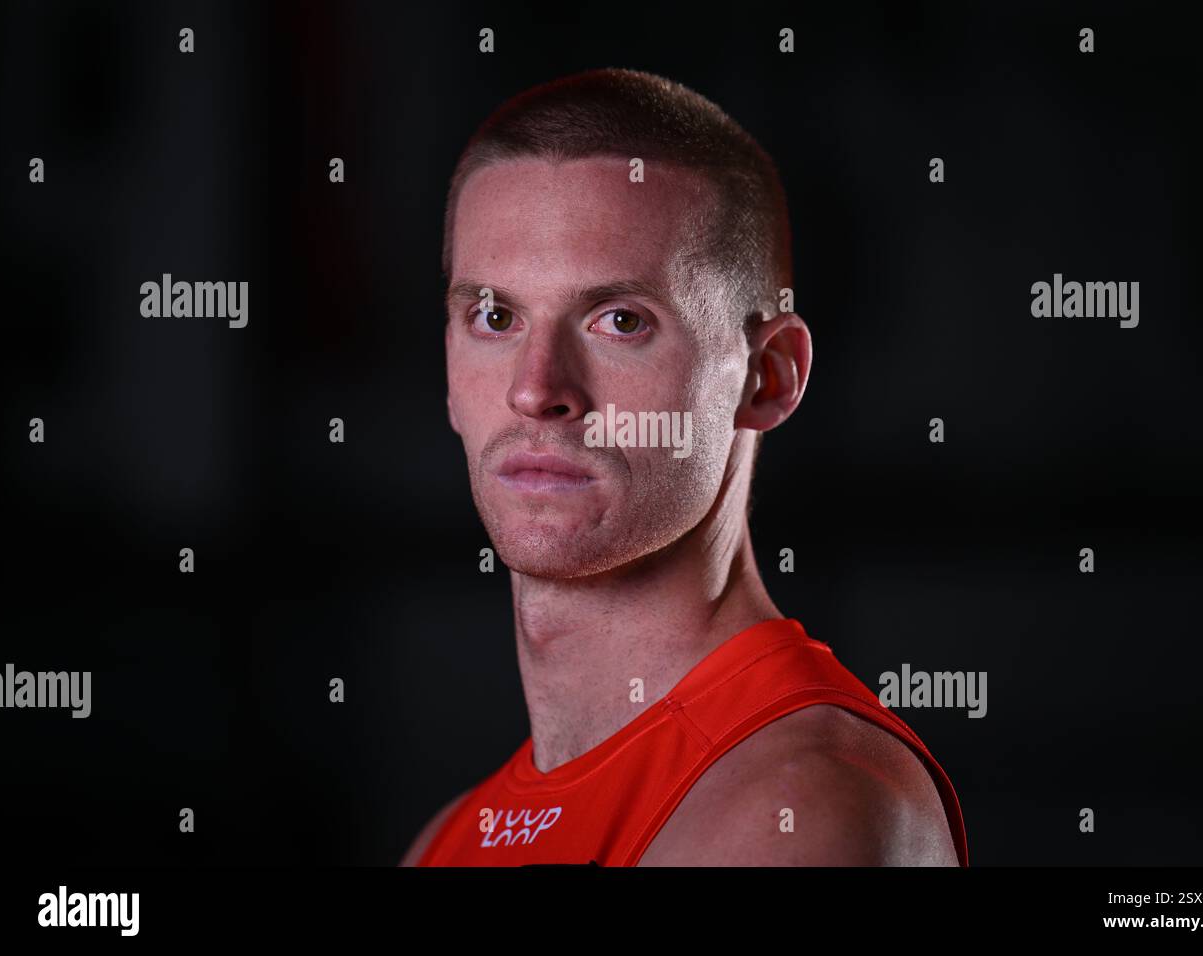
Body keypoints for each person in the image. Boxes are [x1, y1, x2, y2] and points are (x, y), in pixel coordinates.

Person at [401, 67, 967, 866]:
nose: (536, 390)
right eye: (494, 316)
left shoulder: (797, 805)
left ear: (768, 376)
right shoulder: (447, 842)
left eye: (620, 320)